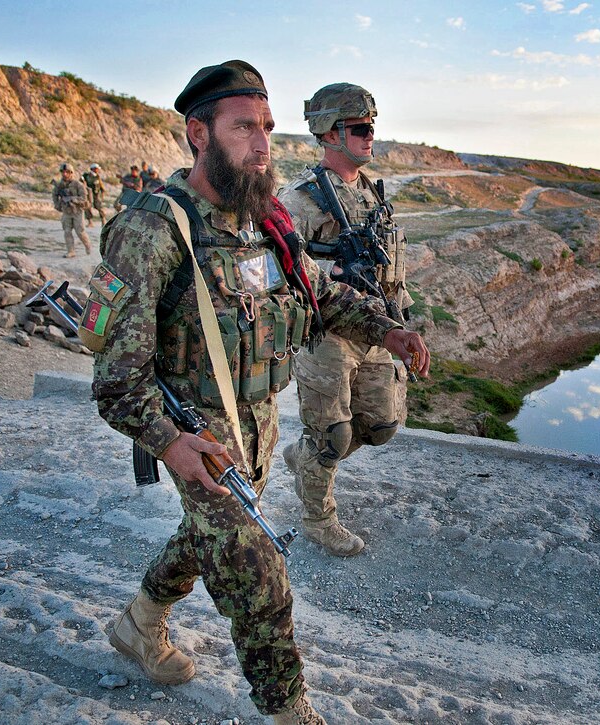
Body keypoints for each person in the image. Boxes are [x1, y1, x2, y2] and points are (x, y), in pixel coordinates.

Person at [82, 60, 428, 725]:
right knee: (258, 567)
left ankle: (138, 622)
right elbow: (116, 382)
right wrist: (170, 442)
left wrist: (389, 331)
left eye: (267, 127)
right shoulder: (154, 231)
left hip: (260, 430)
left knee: (205, 537)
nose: (263, 144)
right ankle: (288, 708)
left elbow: (321, 297)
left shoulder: (265, 219)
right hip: (199, 441)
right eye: (244, 127)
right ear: (199, 134)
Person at [277, 83, 412, 557]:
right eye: (360, 128)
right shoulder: (299, 200)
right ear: (329, 133)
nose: (370, 136)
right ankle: (318, 518)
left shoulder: (371, 194)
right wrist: (327, 270)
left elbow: (390, 261)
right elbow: (276, 267)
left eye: (372, 127)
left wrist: (401, 313)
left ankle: (305, 459)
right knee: (333, 434)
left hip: (376, 323)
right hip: (328, 333)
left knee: (380, 423)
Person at [51, 162, 92, 257]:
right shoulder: (59, 185)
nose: (65, 174)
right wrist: (57, 204)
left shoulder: (78, 185)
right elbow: (55, 194)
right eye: (63, 172)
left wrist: (74, 200)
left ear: (71, 173)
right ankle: (71, 251)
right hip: (66, 211)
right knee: (67, 231)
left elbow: (84, 199)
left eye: (67, 172)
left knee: (80, 232)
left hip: (77, 211)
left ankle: (87, 245)